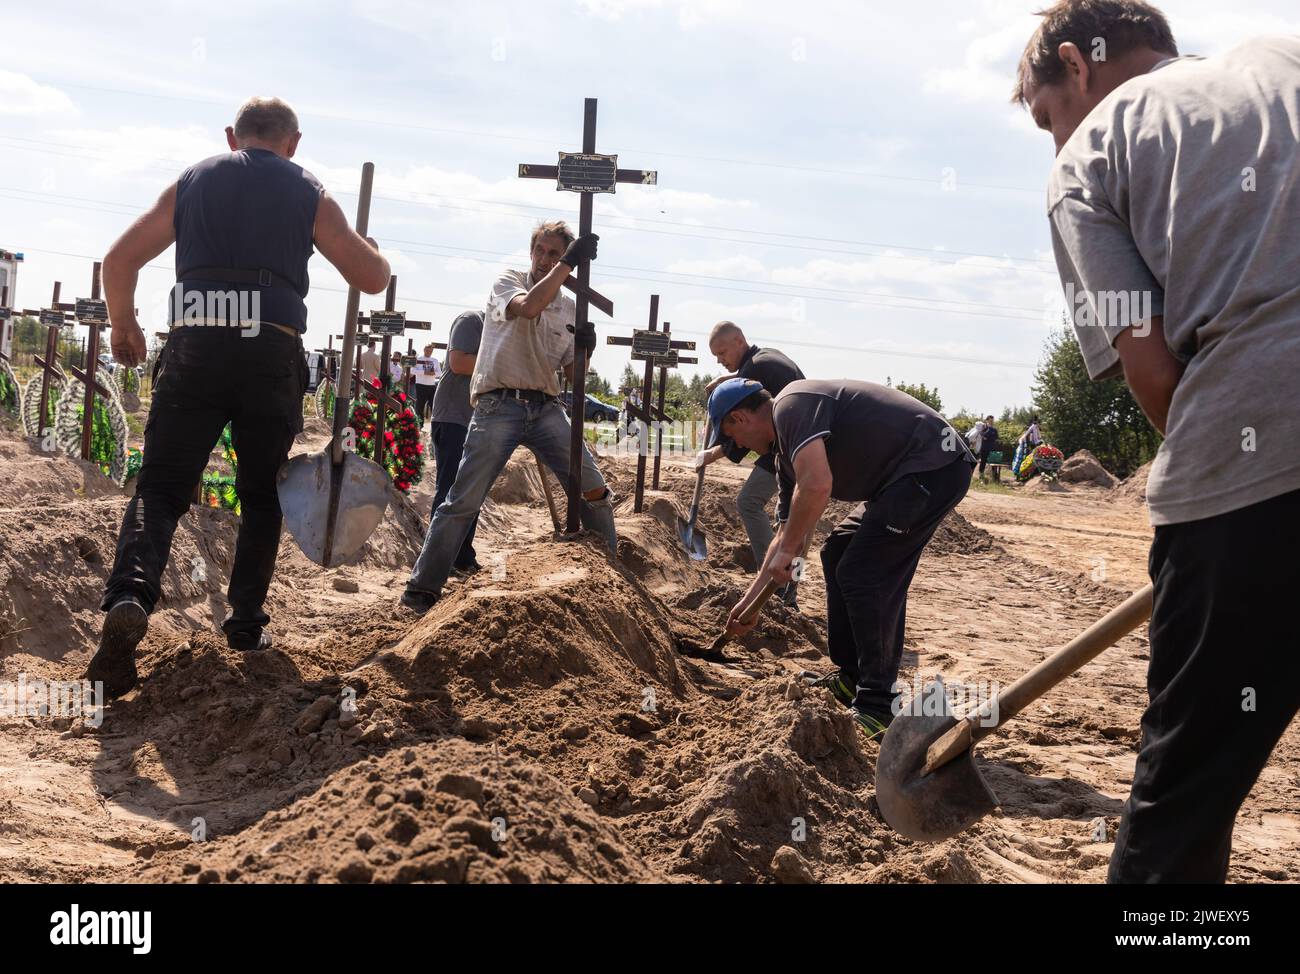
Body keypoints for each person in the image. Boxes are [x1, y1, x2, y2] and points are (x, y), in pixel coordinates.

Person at [1015, 0, 1300, 882]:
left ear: (1077, 65)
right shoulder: (1280, 57)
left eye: (1043, 116)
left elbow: (1152, 370)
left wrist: (1230, 503)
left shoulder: (1088, 161)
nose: (1052, 140)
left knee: (1183, 800)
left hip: (1251, 463)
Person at [88, 96, 390, 698]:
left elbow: (120, 259)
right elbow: (373, 278)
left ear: (233, 136)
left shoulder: (193, 180)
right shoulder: (311, 190)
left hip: (196, 344)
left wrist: (124, 326)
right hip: (268, 355)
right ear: (293, 142)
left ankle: (129, 598)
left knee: (162, 488)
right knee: (261, 494)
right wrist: (368, 246)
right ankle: (246, 627)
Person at [711, 377, 975, 740]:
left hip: (934, 466)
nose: (738, 446)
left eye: (732, 437)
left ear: (740, 418)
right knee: (836, 552)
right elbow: (788, 534)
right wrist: (749, 603)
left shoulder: (791, 406)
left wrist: (789, 551)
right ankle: (852, 677)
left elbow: (817, 487)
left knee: (864, 571)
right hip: (903, 480)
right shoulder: (784, 456)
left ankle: (878, 703)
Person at [401, 220, 615, 614]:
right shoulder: (509, 280)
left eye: (555, 253)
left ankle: (613, 581)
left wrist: (587, 349)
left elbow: (574, 378)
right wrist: (567, 264)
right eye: (542, 251)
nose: (545, 260)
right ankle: (421, 590)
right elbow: (529, 307)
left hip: (546, 407)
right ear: (531, 252)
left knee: (595, 490)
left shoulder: (570, 307)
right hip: (500, 404)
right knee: (463, 499)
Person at [695, 322, 805, 596]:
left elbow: (747, 429)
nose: (720, 360)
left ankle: (773, 585)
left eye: (722, 352)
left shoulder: (754, 368)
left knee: (749, 502)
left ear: (739, 341)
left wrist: (714, 453)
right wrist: (729, 379)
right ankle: (791, 589)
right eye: (716, 357)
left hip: (786, 447)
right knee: (801, 527)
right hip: (803, 444)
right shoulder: (766, 357)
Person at [427, 310, 484, 575]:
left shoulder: (504, 337)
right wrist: (499, 360)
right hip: (452, 419)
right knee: (449, 489)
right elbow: (459, 362)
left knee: (472, 491)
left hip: (475, 421)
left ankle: (461, 556)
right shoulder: (472, 321)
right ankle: (436, 559)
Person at [413, 342, 441, 422]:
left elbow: (440, 373)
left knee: (433, 405)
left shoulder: (435, 360)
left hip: (431, 386)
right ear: (424, 350)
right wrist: (424, 372)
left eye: (431, 351)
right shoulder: (418, 359)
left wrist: (433, 373)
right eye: (427, 351)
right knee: (420, 406)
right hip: (420, 385)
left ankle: (434, 424)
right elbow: (412, 370)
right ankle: (419, 425)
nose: (429, 352)